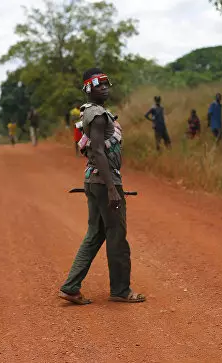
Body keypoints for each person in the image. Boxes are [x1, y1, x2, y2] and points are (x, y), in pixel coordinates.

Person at [59, 67, 145, 305]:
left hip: (93, 180)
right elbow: (97, 151)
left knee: (95, 234)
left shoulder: (93, 113)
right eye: (99, 84)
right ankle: (121, 289)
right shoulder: (97, 116)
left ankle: (71, 286)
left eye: (107, 83)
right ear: (88, 89)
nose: (105, 87)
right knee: (117, 235)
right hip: (104, 181)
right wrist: (111, 188)